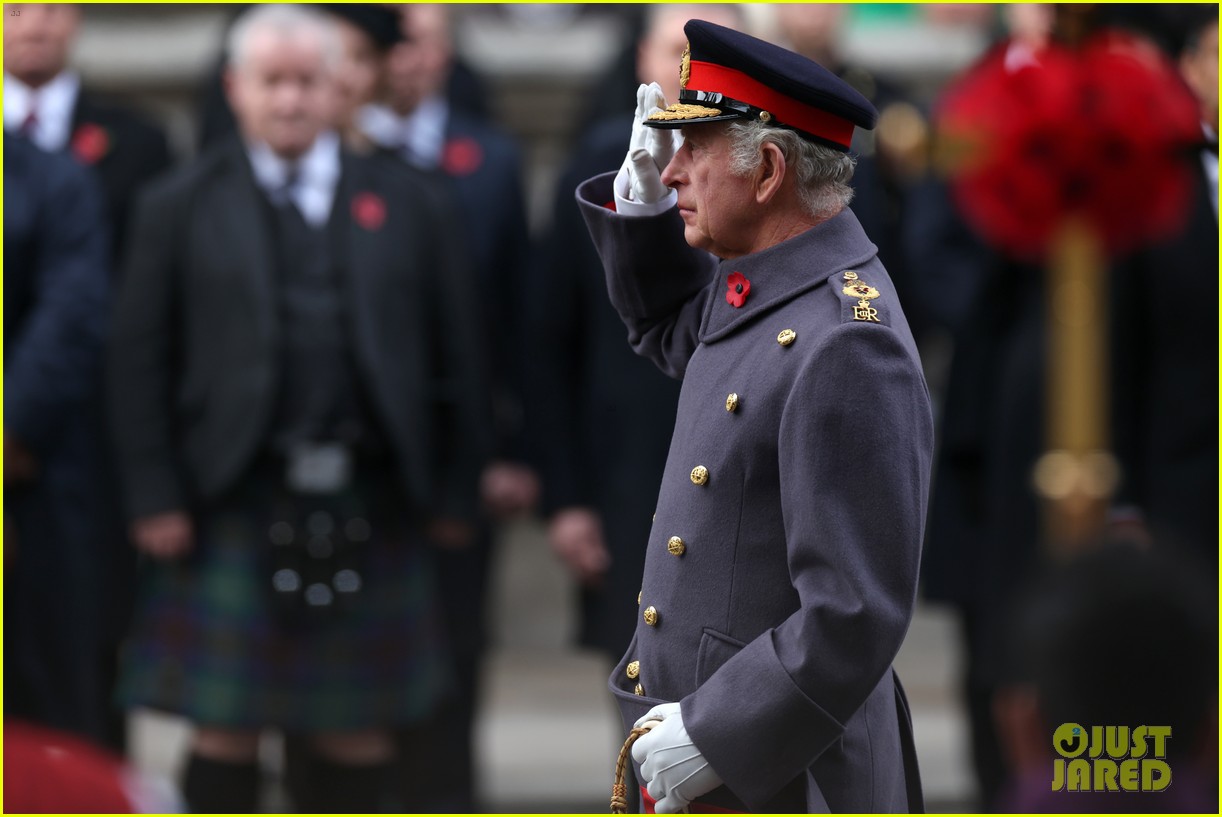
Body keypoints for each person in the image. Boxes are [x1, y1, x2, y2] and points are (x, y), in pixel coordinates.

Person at [106, 6, 488, 812]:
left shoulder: (410, 198)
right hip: (226, 499)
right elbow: (138, 362)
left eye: (306, 81)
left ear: (338, 86)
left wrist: (456, 491)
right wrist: (154, 495)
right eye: (271, 81)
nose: (289, 100)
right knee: (224, 726)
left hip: (370, 498)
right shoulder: (177, 203)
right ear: (234, 88)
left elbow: (459, 354)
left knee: (356, 728)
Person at [574, 19, 933, 813]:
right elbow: (672, 331)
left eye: (694, 150)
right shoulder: (773, 280)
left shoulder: (846, 339)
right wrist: (640, 217)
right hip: (727, 756)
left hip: (784, 771)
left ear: (768, 171)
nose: (673, 171)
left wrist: (716, 733)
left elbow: (854, 612)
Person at [527, 2, 744, 665]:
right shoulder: (594, 168)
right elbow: (550, 341)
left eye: (711, 54)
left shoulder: (775, 169)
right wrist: (567, 497)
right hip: (628, 473)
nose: (690, 70)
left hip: (750, 476)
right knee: (641, 686)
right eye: (675, 52)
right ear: (643, 60)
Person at [358, 5, 536, 809]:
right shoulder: (334, 156)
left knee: (454, 655)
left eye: (423, 41)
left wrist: (510, 451)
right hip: (365, 458)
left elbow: (518, 320)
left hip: (462, 455)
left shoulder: (489, 161)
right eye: (393, 42)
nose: (407, 58)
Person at [4, 133, 111, 743]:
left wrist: (9, 424)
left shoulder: (54, 180)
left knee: (46, 710)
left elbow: (72, 312)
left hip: (34, 475)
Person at [3, 2, 171, 267]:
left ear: (77, 19)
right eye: (15, 10)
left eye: (51, 9)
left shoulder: (140, 143)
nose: (33, 28)